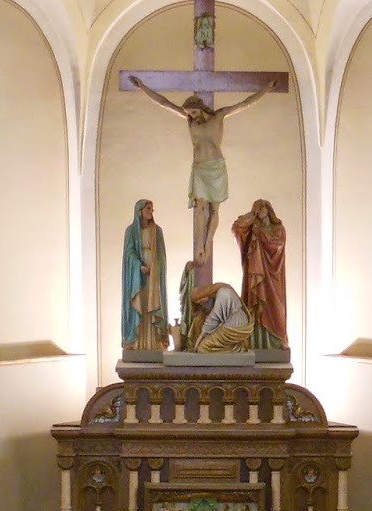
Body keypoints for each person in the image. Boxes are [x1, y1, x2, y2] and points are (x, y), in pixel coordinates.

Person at [128, 75, 279, 268]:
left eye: (192, 112)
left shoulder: (218, 116)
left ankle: (208, 244)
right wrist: (142, 87)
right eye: (188, 113)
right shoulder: (190, 121)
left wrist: (266, 89)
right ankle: (199, 245)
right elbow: (164, 103)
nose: (190, 116)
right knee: (200, 206)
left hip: (216, 167)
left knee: (215, 209)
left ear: (200, 107)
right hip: (199, 168)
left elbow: (245, 103)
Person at [232, 197, 288, 349]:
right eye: (258, 208)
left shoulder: (278, 229)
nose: (262, 211)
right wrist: (251, 215)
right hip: (256, 275)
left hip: (272, 273)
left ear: (269, 211)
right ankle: (257, 342)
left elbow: (277, 246)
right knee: (256, 307)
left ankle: (277, 340)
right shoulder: (253, 228)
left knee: (275, 306)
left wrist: (262, 237)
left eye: (264, 208)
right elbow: (237, 227)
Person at [121, 198, 168, 350]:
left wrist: (155, 267)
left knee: (152, 303)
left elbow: (161, 254)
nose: (151, 212)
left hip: (153, 274)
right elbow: (129, 252)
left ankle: (154, 342)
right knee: (140, 302)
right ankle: (135, 341)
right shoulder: (131, 231)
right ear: (139, 211)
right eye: (148, 208)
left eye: (152, 209)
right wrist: (139, 266)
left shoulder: (157, 230)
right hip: (138, 274)